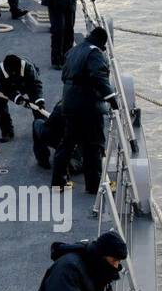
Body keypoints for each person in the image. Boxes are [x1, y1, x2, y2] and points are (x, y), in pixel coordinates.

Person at [50, 26, 117, 196]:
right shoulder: (94, 53)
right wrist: (111, 99)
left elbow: (64, 76)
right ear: (102, 43)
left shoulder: (73, 51)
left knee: (67, 143)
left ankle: (57, 183)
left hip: (69, 104)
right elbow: (98, 76)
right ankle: (93, 186)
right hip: (87, 106)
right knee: (93, 145)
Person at [0, 54, 45, 142]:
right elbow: (6, 89)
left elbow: (35, 87)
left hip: (27, 81)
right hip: (8, 84)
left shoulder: (29, 68)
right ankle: (7, 131)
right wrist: (20, 100)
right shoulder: (0, 70)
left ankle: (42, 130)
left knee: (37, 105)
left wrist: (39, 100)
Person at [31, 99, 82, 177]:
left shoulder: (63, 104)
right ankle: (76, 160)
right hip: (78, 139)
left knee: (37, 123)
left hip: (60, 138)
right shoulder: (93, 107)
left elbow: (49, 124)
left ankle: (43, 159)